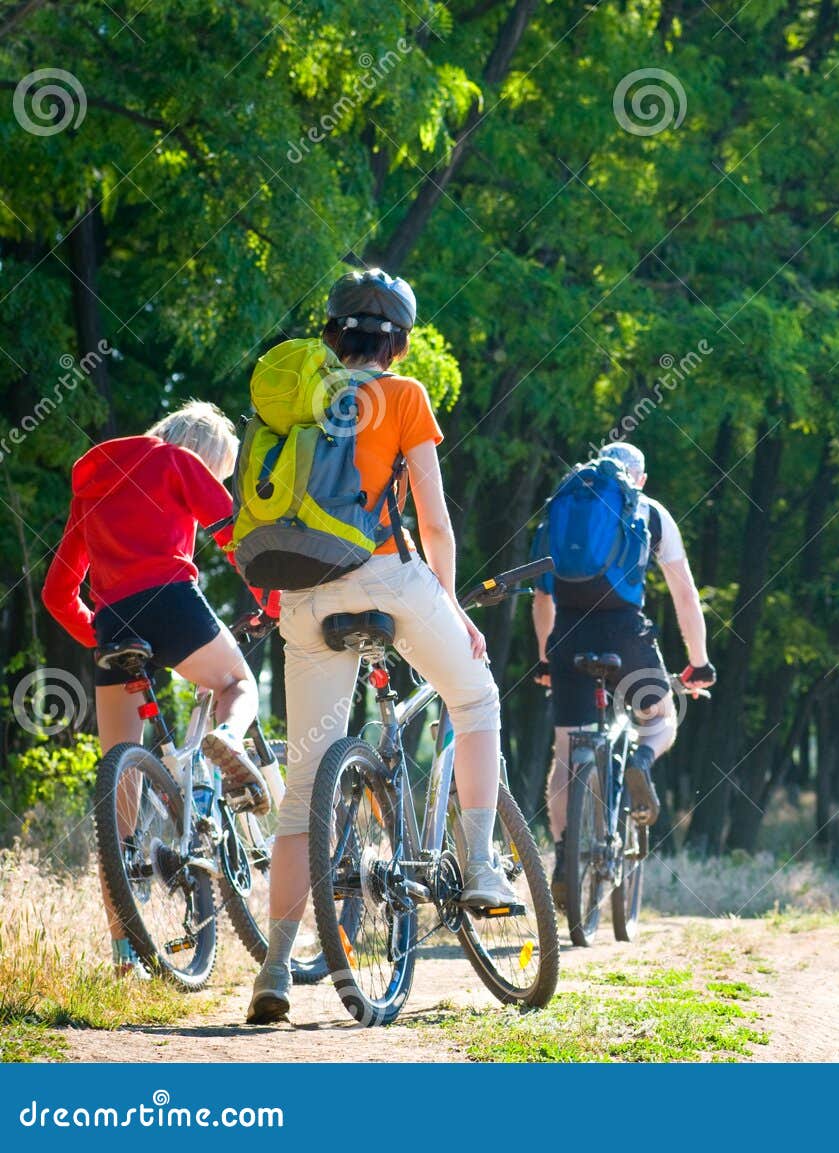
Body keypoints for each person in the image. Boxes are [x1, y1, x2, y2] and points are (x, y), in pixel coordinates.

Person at [246, 269, 518, 1025]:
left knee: (305, 789)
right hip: (386, 580)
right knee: (475, 696)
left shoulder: (294, 396)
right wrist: (453, 605)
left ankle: (273, 967)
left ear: (331, 333)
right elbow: (434, 522)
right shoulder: (402, 397)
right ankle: (483, 864)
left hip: (303, 594)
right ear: (397, 342)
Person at [42, 401, 276, 976]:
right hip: (171, 602)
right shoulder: (178, 462)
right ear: (208, 455)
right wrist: (272, 602)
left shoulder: (93, 486)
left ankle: (126, 955)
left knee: (116, 792)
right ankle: (227, 735)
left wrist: (96, 631)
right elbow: (235, 537)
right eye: (220, 471)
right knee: (237, 680)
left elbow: (57, 593)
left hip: (115, 624)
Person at [532, 442, 715, 897]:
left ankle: (563, 858)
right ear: (641, 479)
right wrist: (698, 662)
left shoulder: (565, 506)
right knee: (662, 720)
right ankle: (640, 759)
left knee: (565, 753)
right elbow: (685, 594)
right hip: (625, 638)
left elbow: (542, 596)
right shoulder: (650, 512)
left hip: (568, 637)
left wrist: (544, 659)